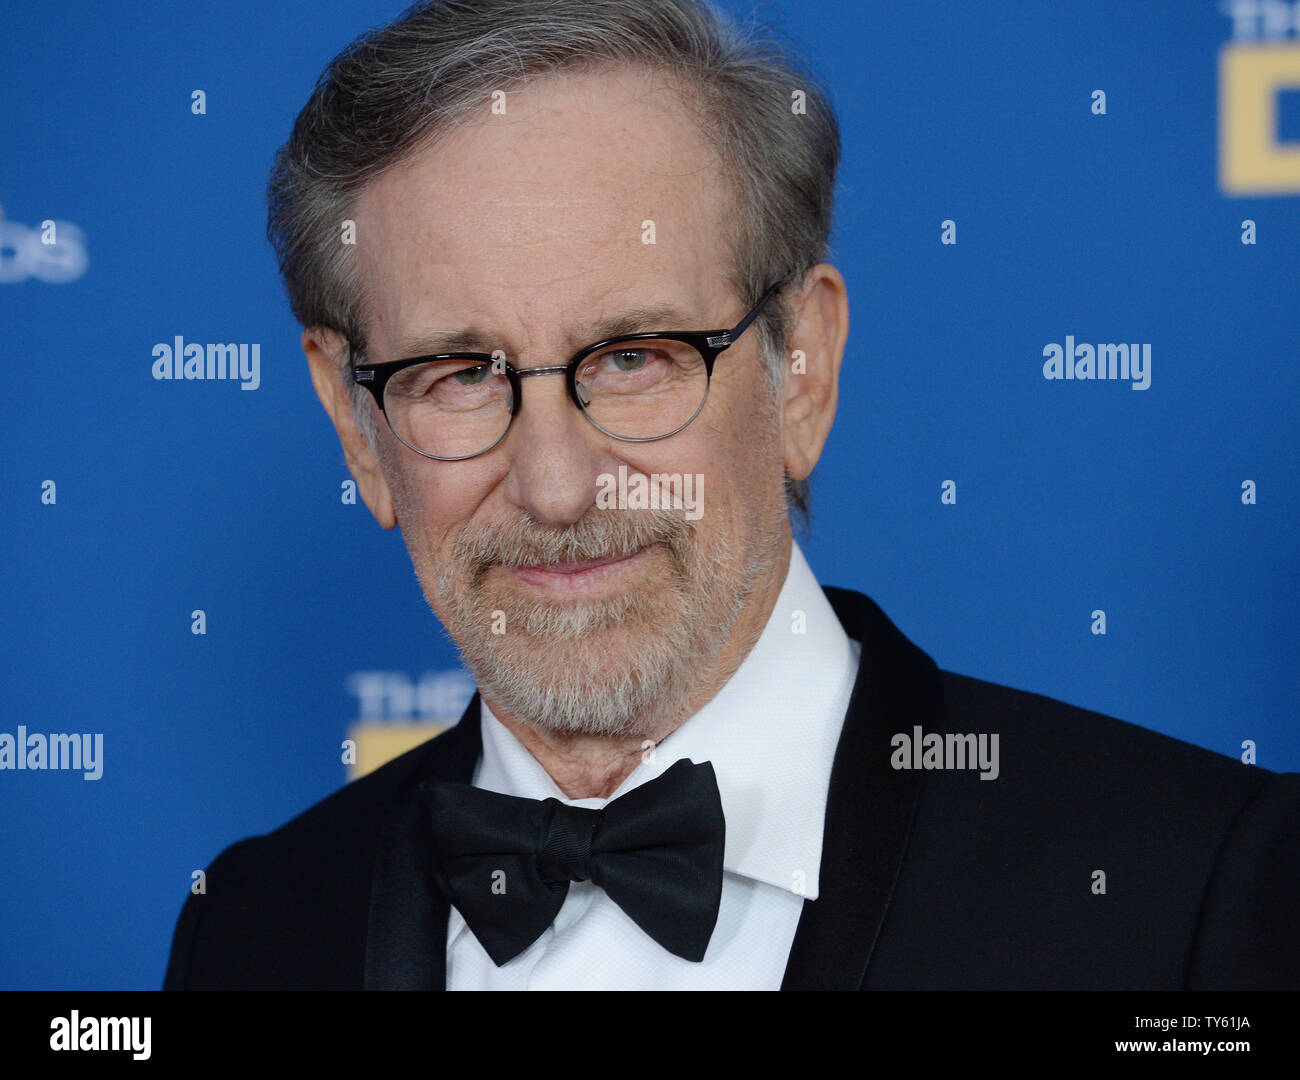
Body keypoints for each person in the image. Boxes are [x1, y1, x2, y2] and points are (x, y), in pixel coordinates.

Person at [163, 0, 1300, 990]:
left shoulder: (1194, 889)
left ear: (801, 367)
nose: (556, 486)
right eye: (461, 375)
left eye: (635, 356)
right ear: (356, 426)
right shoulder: (253, 930)